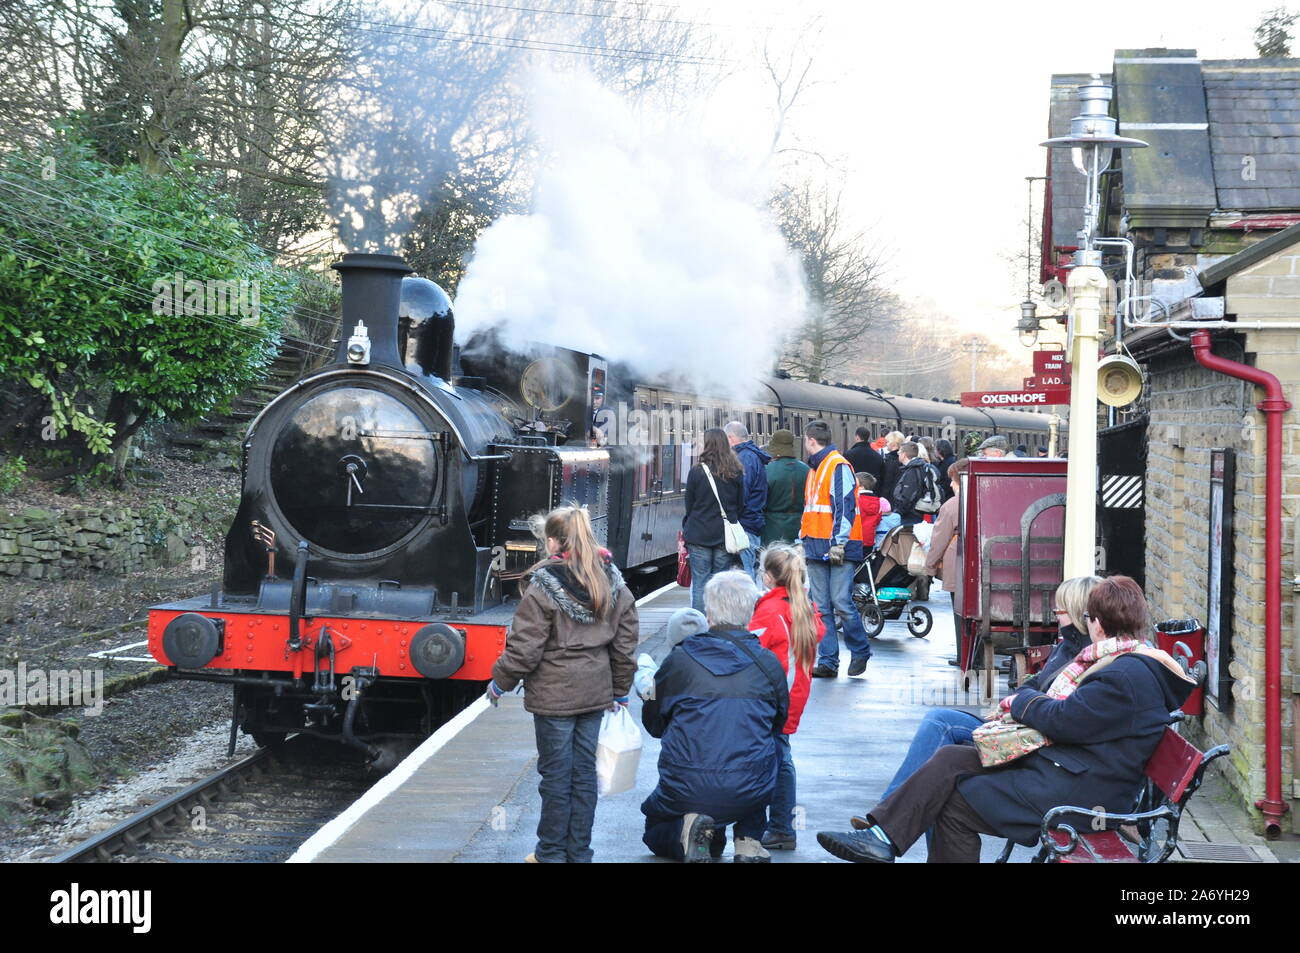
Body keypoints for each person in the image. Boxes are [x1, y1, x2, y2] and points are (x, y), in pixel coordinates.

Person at [819, 575, 1193, 864]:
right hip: (1072, 770)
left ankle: (883, 838)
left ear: (1097, 623)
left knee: (952, 802)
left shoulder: (1123, 675)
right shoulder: (1129, 663)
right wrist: (1032, 700)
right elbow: (1068, 717)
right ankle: (882, 838)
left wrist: (1024, 700)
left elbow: (1063, 720)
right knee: (951, 758)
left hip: (1078, 793)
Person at [853, 574, 1102, 829]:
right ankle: (886, 815)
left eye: (1059, 609)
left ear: (1075, 611)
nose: (1054, 615)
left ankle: (884, 821)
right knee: (939, 721)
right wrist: (1022, 699)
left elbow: (1051, 708)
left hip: (1026, 740)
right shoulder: (1067, 648)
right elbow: (1033, 685)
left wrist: (1020, 702)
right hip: (1017, 728)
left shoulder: (1088, 658)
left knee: (942, 754)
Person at [487, 505, 640, 863]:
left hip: (554, 697)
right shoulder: (611, 580)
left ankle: (550, 853)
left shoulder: (542, 585)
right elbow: (625, 640)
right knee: (584, 774)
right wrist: (620, 689)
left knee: (556, 775)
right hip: (594, 694)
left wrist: (500, 682)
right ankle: (579, 853)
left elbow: (525, 648)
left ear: (553, 541)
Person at [641, 571, 789, 863]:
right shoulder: (768, 663)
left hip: (685, 789)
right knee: (761, 747)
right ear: (750, 611)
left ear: (708, 612)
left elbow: (653, 723)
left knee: (654, 829)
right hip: (752, 792)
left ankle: (686, 830)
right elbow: (778, 723)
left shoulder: (679, 660)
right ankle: (749, 840)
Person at [748, 545, 823, 850]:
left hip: (773, 700)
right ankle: (781, 825)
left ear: (768, 577)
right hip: (794, 695)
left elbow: (750, 651)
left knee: (776, 762)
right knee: (783, 758)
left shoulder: (771, 611)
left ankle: (780, 827)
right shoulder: (803, 607)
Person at [800, 420, 874, 679]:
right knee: (820, 607)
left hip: (837, 546)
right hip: (815, 545)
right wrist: (804, 540)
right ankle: (829, 661)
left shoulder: (836, 465)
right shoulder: (816, 468)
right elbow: (812, 509)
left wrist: (839, 543)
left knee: (841, 602)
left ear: (810, 440)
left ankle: (860, 651)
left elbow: (845, 507)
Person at [681, 427, 744, 613]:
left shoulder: (696, 472)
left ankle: (700, 626)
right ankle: (718, 622)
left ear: (707, 445)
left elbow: (689, 505)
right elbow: (741, 504)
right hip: (724, 535)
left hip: (698, 534)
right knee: (720, 582)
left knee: (700, 583)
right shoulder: (735, 472)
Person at [924, 459, 967, 663]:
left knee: (959, 608)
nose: (950, 485)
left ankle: (963, 653)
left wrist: (930, 567)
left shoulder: (951, 505)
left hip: (957, 558)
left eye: (953, 480)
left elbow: (939, 538)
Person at [725, 421, 771, 581]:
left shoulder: (745, 458)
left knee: (746, 572)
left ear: (731, 438)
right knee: (749, 569)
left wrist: (730, 514)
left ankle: (749, 605)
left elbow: (741, 493)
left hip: (745, 523)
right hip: (751, 520)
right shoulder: (751, 456)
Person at [761, 429, 810, 546]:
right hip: (801, 526)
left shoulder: (767, 470)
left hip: (772, 529)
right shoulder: (807, 470)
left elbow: (761, 501)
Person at [890, 441, 936, 527]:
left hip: (910, 516)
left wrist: (900, 510)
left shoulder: (912, 471)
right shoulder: (916, 468)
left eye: (899, 452)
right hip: (915, 514)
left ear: (904, 454)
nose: (898, 455)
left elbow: (908, 496)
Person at [854, 471, 891, 546]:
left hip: (855, 538)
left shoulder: (856, 500)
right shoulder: (879, 502)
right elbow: (877, 520)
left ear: (861, 487)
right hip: (870, 540)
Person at [878, 431, 905, 501]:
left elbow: (887, 481)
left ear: (894, 444)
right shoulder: (903, 458)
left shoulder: (890, 460)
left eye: (887, 442)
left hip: (890, 496)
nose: (886, 444)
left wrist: (883, 498)